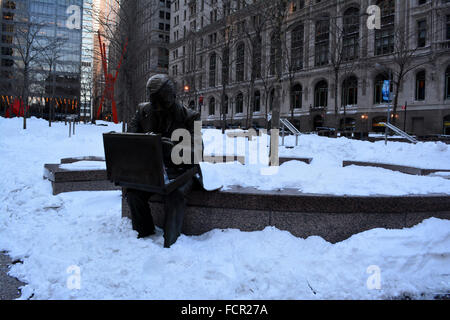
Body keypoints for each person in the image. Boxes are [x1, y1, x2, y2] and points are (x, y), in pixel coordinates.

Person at [125, 74, 203, 248]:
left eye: (162, 102)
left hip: (182, 170)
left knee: (175, 195)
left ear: (172, 96)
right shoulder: (142, 112)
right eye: (154, 102)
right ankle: (144, 234)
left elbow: (198, 151)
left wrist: (169, 146)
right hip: (153, 169)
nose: (158, 108)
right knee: (133, 192)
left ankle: (170, 242)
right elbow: (131, 140)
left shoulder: (191, 116)